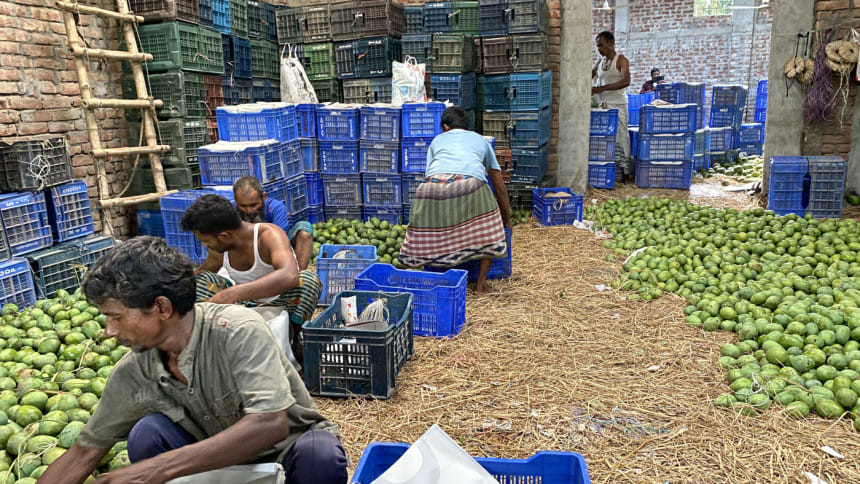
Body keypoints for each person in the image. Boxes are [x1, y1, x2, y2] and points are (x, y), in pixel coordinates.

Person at [35, 236, 347, 484]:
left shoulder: (237, 331)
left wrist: (157, 469)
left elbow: (270, 424)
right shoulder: (134, 370)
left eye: (116, 317)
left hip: (284, 453)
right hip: (214, 463)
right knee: (147, 434)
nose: (108, 332)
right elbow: (84, 452)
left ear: (161, 308)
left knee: (319, 455)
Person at [182, 194, 322, 360]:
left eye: (205, 240)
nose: (204, 245)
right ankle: (215, 344)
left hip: (280, 301)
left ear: (224, 236)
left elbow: (289, 275)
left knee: (308, 280)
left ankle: (295, 338)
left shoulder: (268, 235)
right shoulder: (220, 247)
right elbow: (206, 270)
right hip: (243, 307)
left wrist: (232, 293)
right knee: (198, 282)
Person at [398, 106, 511, 294]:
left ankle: (419, 282)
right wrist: (506, 220)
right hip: (471, 183)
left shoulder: (437, 140)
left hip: (431, 188)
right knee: (489, 231)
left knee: (427, 233)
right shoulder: (480, 140)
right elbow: (499, 184)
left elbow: (432, 174)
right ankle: (480, 286)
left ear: (445, 127)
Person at [233, 176, 314, 271]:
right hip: (245, 250)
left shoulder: (277, 207)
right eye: (243, 206)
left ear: (263, 197)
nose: (249, 211)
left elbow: (280, 239)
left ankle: (299, 274)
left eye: (254, 205)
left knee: (304, 230)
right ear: (236, 199)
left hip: (273, 246)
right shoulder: (231, 210)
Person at [592, 31, 633, 183]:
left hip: (618, 105)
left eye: (601, 45)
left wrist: (602, 88)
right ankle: (610, 171)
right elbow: (590, 75)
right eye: (597, 46)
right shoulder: (600, 62)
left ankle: (625, 171)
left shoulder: (621, 60)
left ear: (610, 43)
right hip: (603, 106)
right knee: (606, 139)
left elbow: (626, 81)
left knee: (621, 137)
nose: (599, 49)